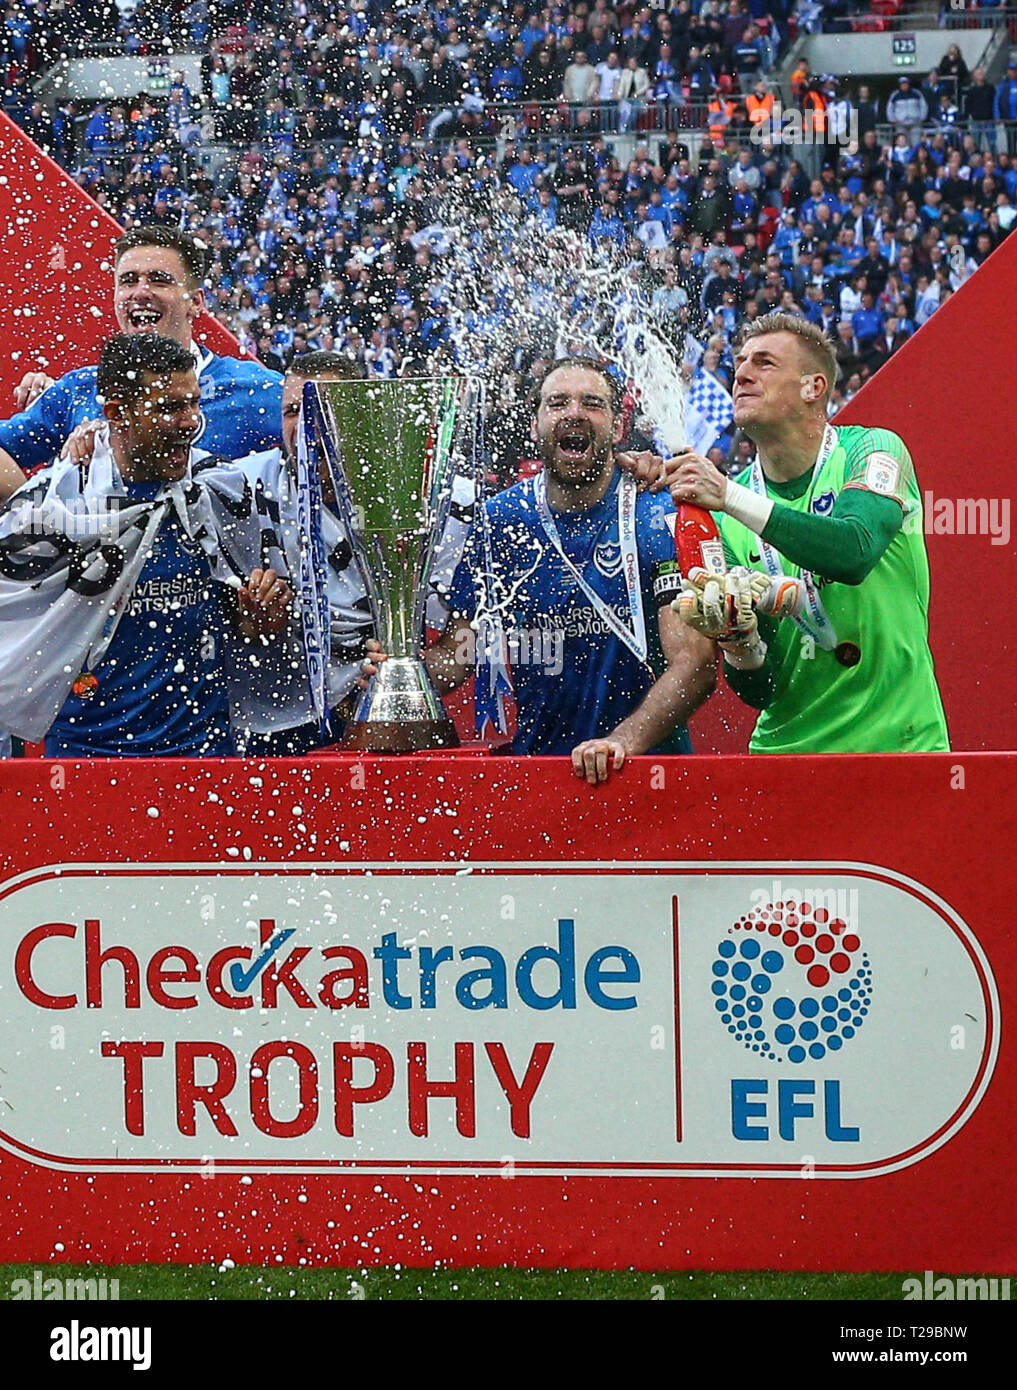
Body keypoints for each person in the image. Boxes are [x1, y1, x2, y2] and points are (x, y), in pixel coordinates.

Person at [627, 314, 949, 753]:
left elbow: (854, 551)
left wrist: (728, 495)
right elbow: (763, 690)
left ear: (813, 387)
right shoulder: (726, 517)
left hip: (902, 745)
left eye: (764, 363)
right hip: (784, 755)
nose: (741, 374)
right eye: (740, 362)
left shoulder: (872, 449)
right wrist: (739, 641)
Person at [420, 357, 717, 783]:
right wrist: (401, 674)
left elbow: (694, 663)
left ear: (618, 427)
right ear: (535, 425)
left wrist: (621, 743)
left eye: (592, 403)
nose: (574, 413)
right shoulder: (501, 519)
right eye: (557, 403)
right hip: (543, 773)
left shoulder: (654, 511)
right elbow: (460, 651)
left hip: (646, 772)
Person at [0, 334, 292, 757]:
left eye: (194, 404)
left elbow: (245, 622)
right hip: (86, 756)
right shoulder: (60, 507)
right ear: (116, 413)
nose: (191, 422)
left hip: (203, 753)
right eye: (170, 407)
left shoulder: (218, 490)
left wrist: (261, 618)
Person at [0, 226, 283, 503]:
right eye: (128, 281)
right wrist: (31, 514)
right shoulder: (78, 391)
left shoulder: (254, 390)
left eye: (159, 280)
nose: (140, 292)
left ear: (196, 302)